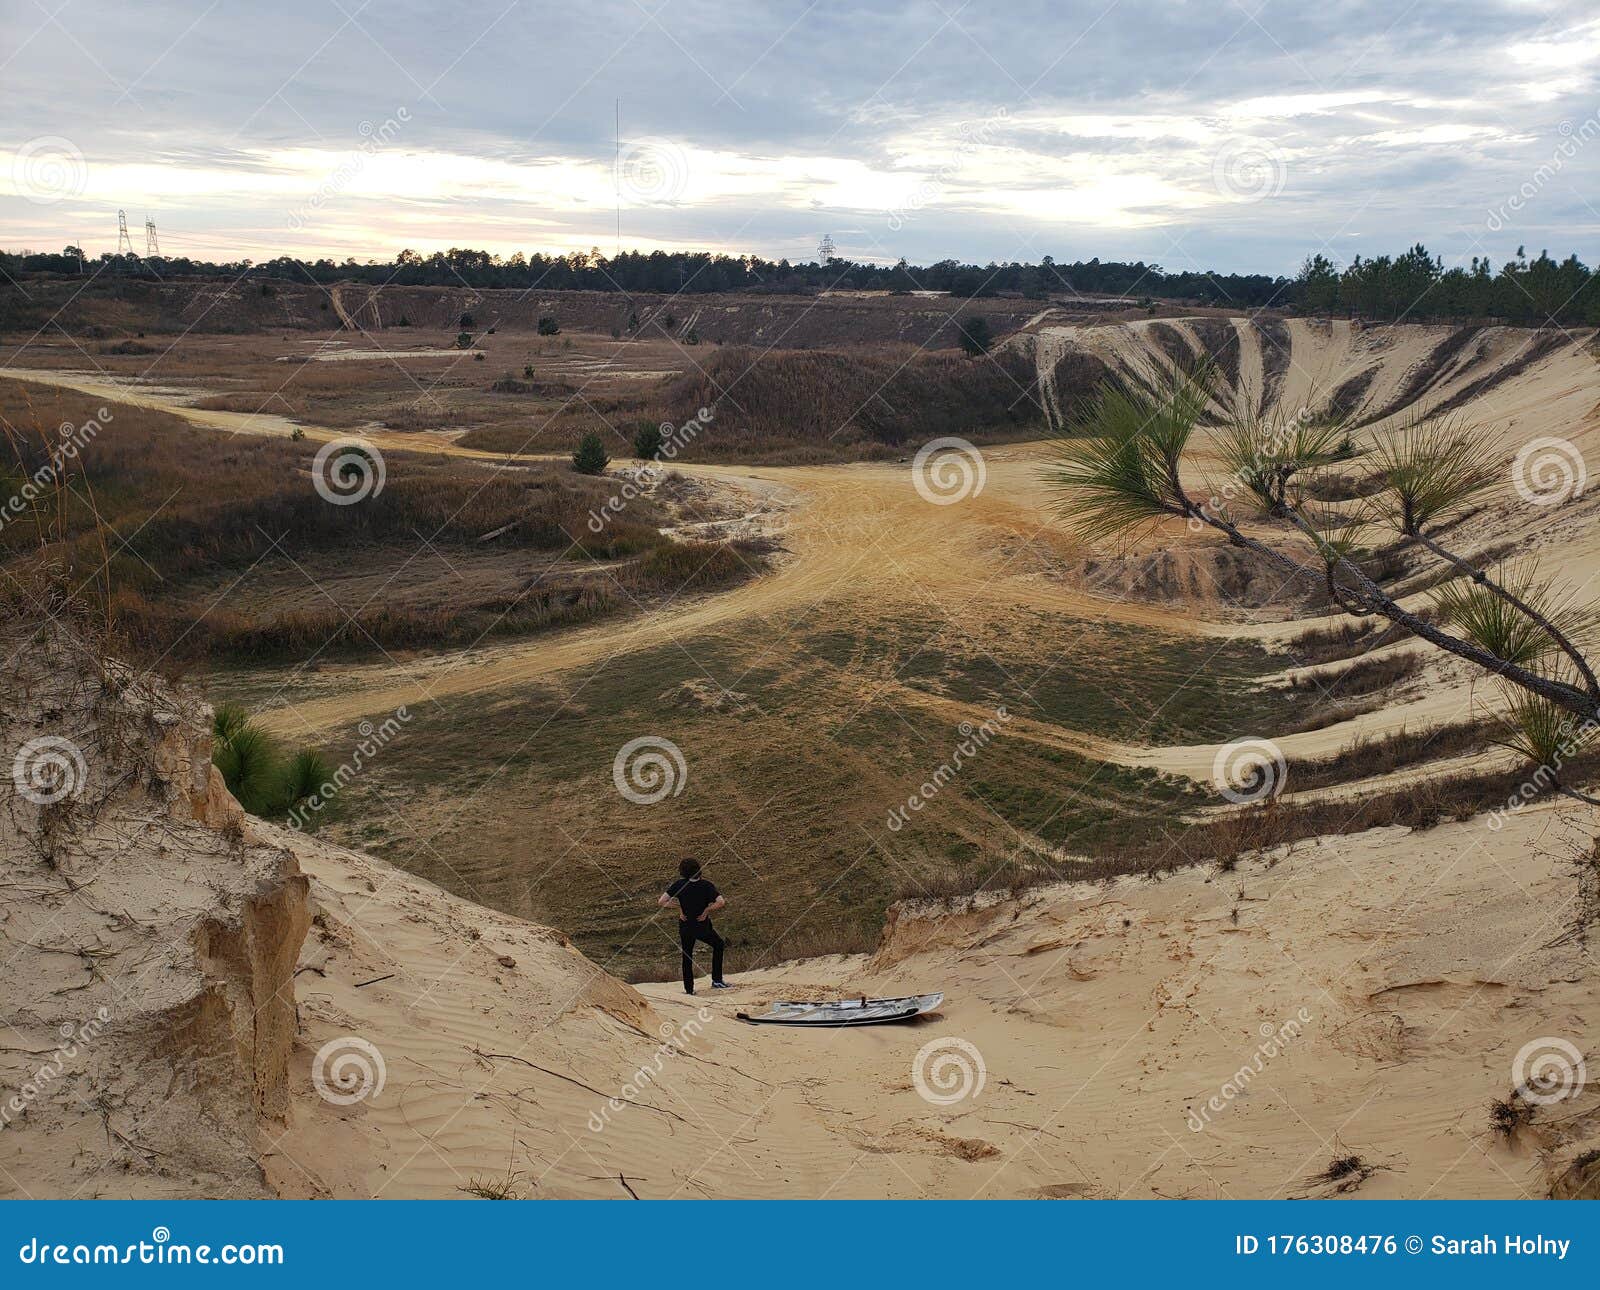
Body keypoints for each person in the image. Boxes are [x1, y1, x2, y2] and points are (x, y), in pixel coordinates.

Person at [658, 858, 728, 994]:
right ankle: (717, 980)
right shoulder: (706, 885)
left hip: (685, 925)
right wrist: (707, 910)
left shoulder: (679, 884)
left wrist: (679, 908)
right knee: (718, 944)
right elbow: (721, 902)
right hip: (702, 925)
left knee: (687, 955)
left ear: (682, 872)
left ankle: (689, 990)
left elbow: (661, 901)